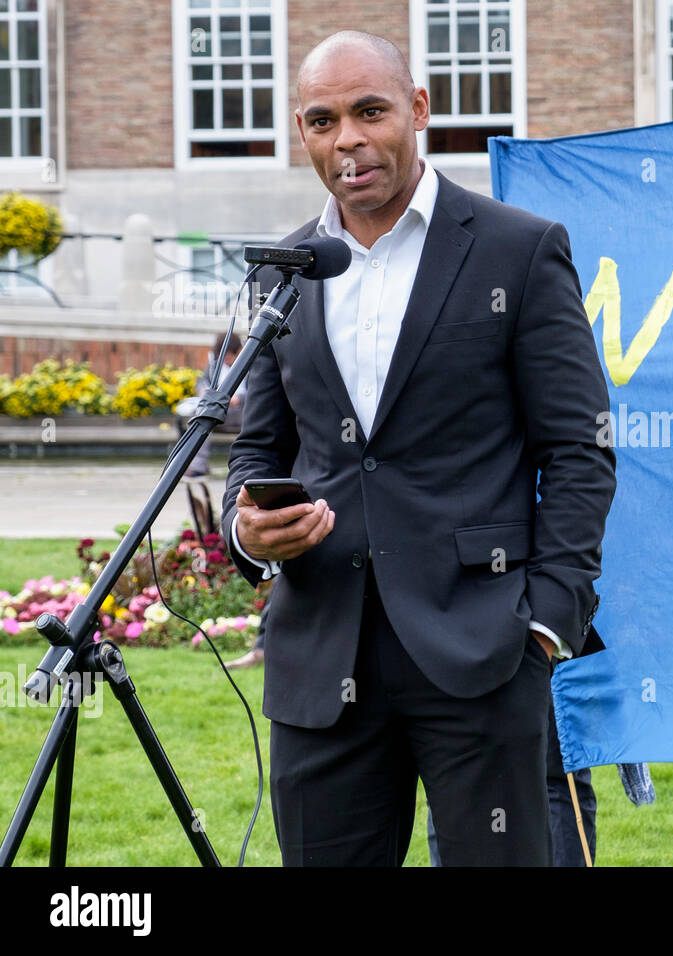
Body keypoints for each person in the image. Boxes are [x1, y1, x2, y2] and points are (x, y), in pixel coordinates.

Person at [219, 31, 616, 866]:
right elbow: (256, 453)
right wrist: (245, 533)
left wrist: (548, 622)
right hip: (322, 657)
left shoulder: (519, 247)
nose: (348, 140)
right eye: (323, 121)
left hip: (482, 650)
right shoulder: (285, 272)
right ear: (304, 133)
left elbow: (579, 449)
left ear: (419, 111)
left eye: (370, 112)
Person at [178, 333, 245, 479]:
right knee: (199, 416)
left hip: (243, 412)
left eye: (228, 357)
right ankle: (196, 466)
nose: (226, 361)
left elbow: (259, 392)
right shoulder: (215, 363)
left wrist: (239, 398)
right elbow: (202, 381)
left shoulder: (250, 362)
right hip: (219, 409)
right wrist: (204, 391)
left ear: (239, 351)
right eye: (223, 356)